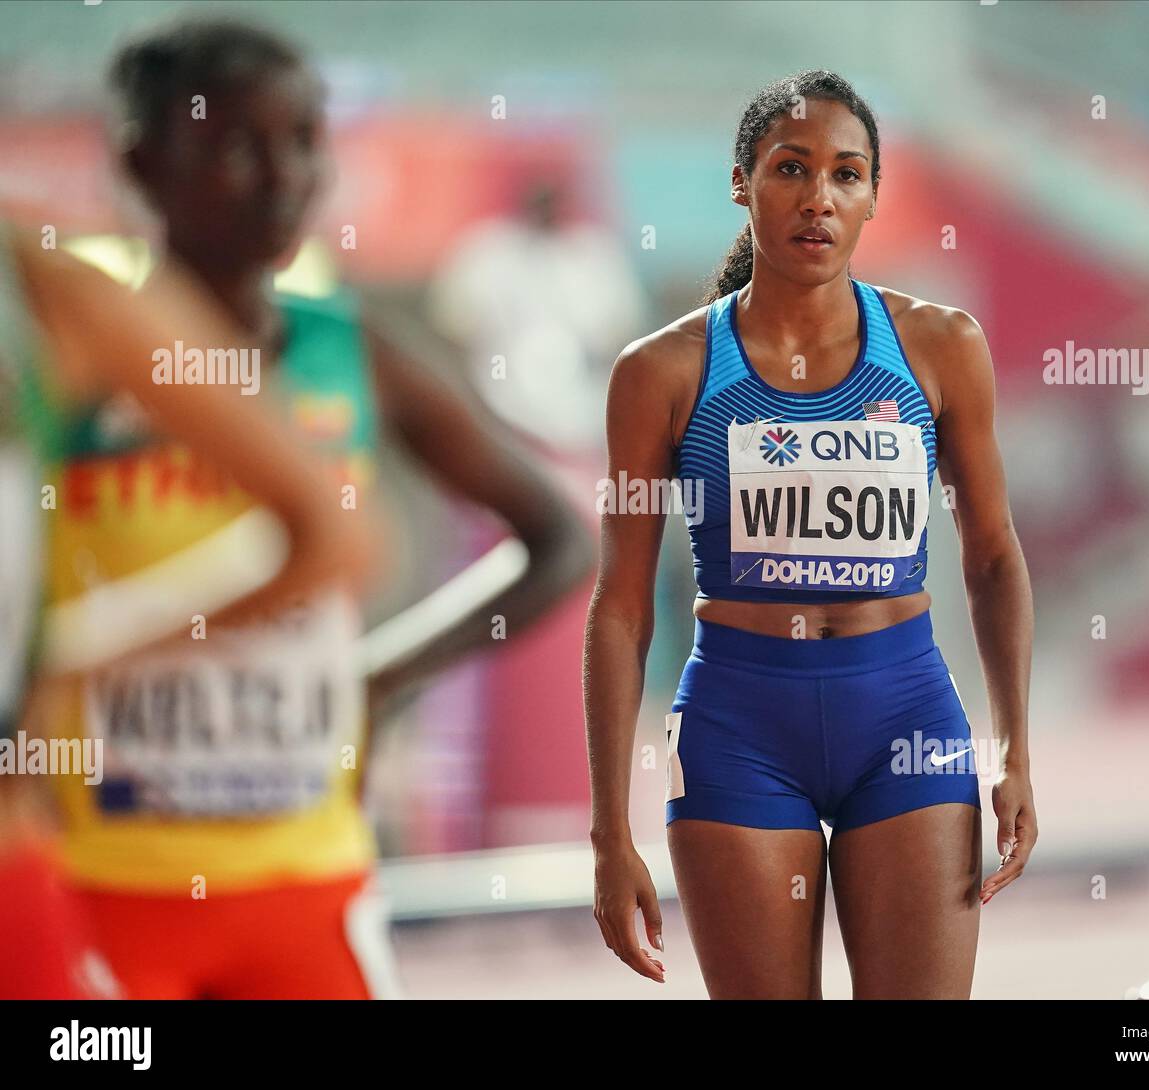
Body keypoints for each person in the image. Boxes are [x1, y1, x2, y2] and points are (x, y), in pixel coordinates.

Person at [42, 16, 593, 1000]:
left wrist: (382, 678)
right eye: (234, 146)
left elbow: (557, 538)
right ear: (142, 165)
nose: (281, 174)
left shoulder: (352, 352)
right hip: (105, 878)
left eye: (302, 141)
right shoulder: (73, 363)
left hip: (306, 880)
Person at [586, 70, 1037, 999]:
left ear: (873, 196)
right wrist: (606, 830)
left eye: (847, 174)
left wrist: (1015, 750)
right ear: (742, 183)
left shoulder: (940, 346)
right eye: (792, 169)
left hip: (904, 716)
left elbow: (992, 556)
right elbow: (621, 608)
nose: (819, 199)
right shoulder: (662, 372)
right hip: (739, 726)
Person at [0, 218, 371, 998]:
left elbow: (337, 536)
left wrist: (77, 656)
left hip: (271, 873)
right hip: (110, 877)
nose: (276, 182)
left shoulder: (41, 288)